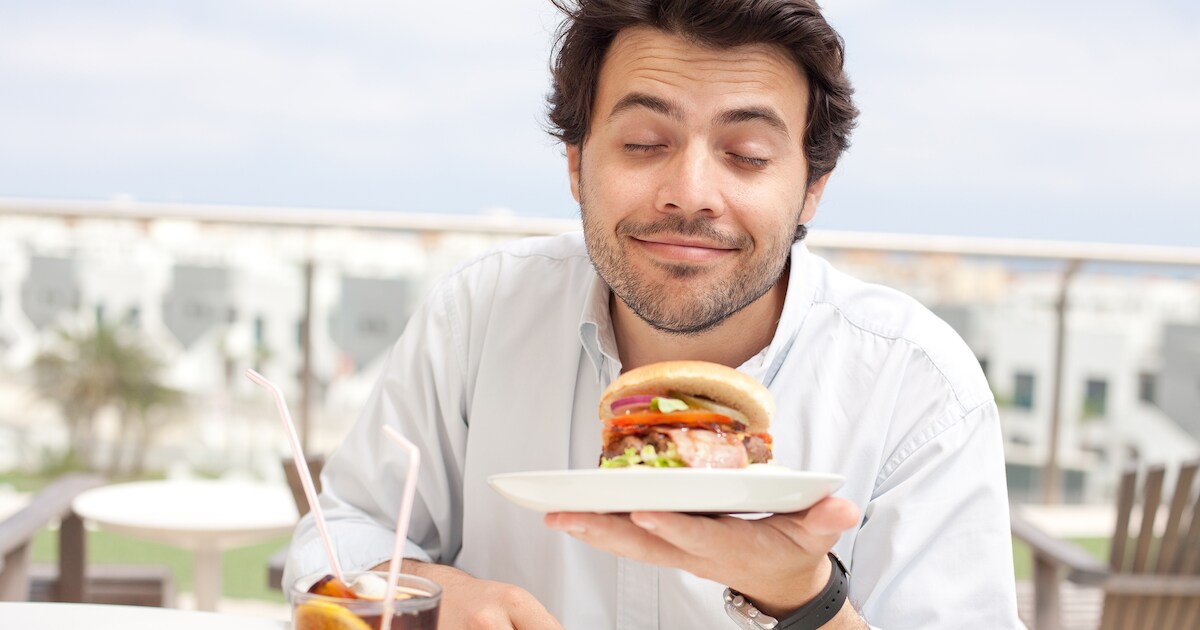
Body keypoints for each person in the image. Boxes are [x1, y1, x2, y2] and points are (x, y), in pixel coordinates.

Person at [284, 1, 1023, 628]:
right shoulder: (479, 314)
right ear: (576, 163)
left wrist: (806, 596)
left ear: (812, 190)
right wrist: (442, 596)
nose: (689, 192)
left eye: (748, 153)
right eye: (643, 143)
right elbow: (339, 533)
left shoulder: (917, 386)